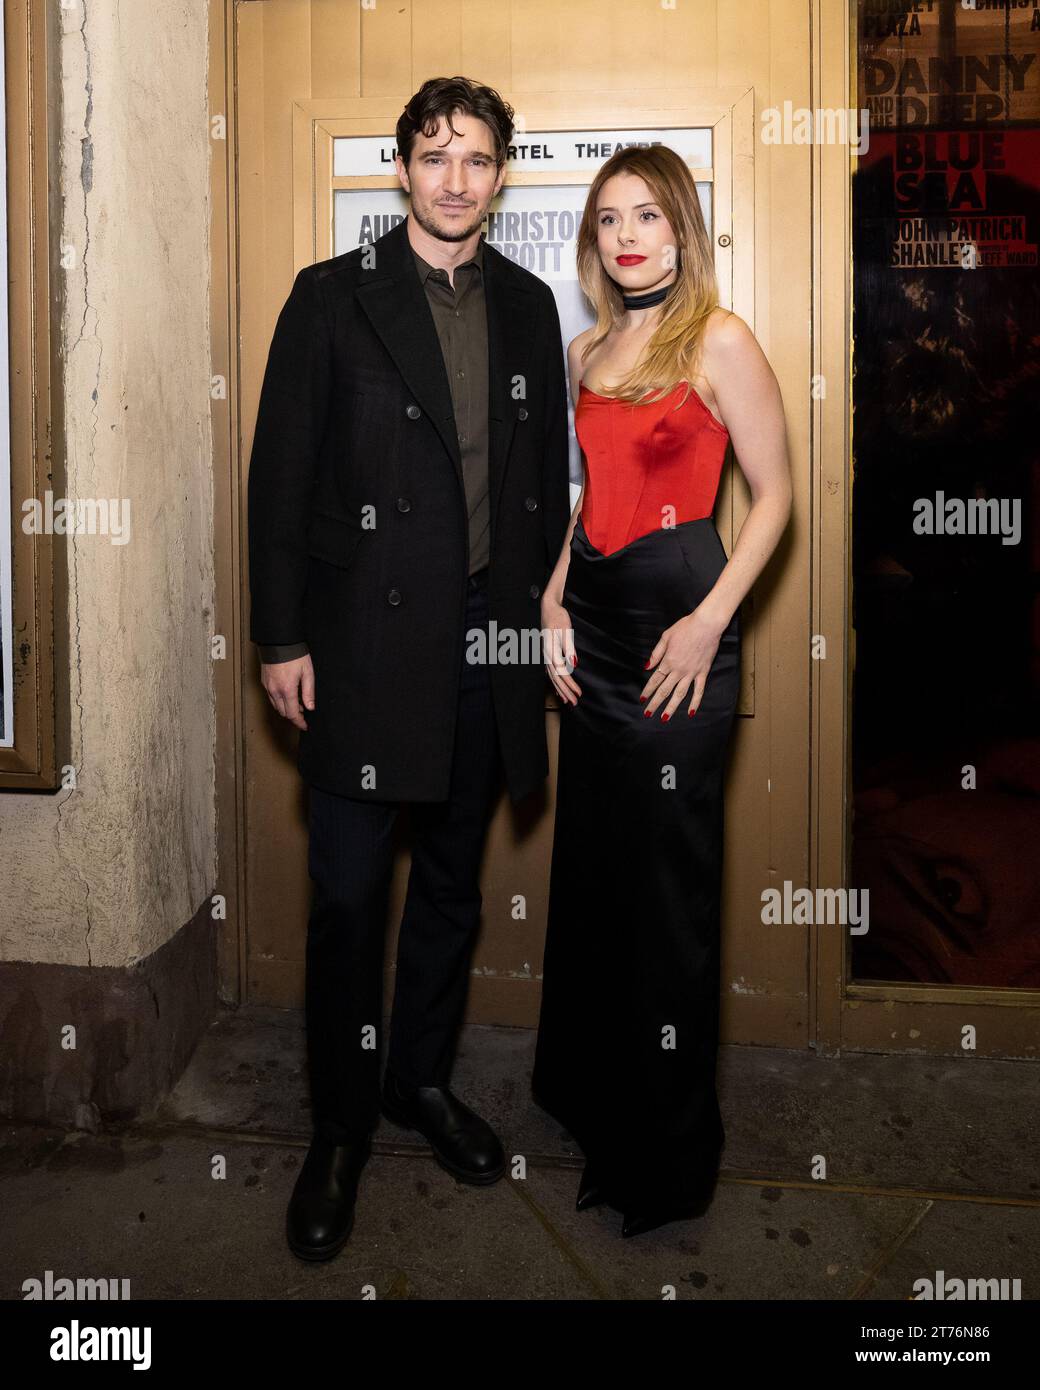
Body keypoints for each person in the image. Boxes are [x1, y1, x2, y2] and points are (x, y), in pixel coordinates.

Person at [247, 75, 570, 1261]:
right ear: (399, 170)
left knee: (447, 886)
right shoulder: (332, 300)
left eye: (476, 158)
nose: (453, 178)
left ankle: (417, 1084)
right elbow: (280, 479)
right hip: (362, 650)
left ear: (499, 176)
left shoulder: (532, 308)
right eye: (432, 155)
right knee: (345, 903)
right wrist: (281, 638)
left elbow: (540, 492)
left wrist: (541, 621)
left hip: (486, 644)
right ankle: (338, 1126)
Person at [532, 145, 792, 1238]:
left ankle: (666, 1147)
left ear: (681, 226)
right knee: (593, 875)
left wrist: (710, 620)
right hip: (589, 626)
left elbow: (776, 497)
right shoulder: (587, 346)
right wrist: (548, 601)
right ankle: (596, 1102)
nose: (626, 235)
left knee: (666, 894)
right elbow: (579, 497)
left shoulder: (719, 339)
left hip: (680, 628)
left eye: (647, 215)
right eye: (607, 220)